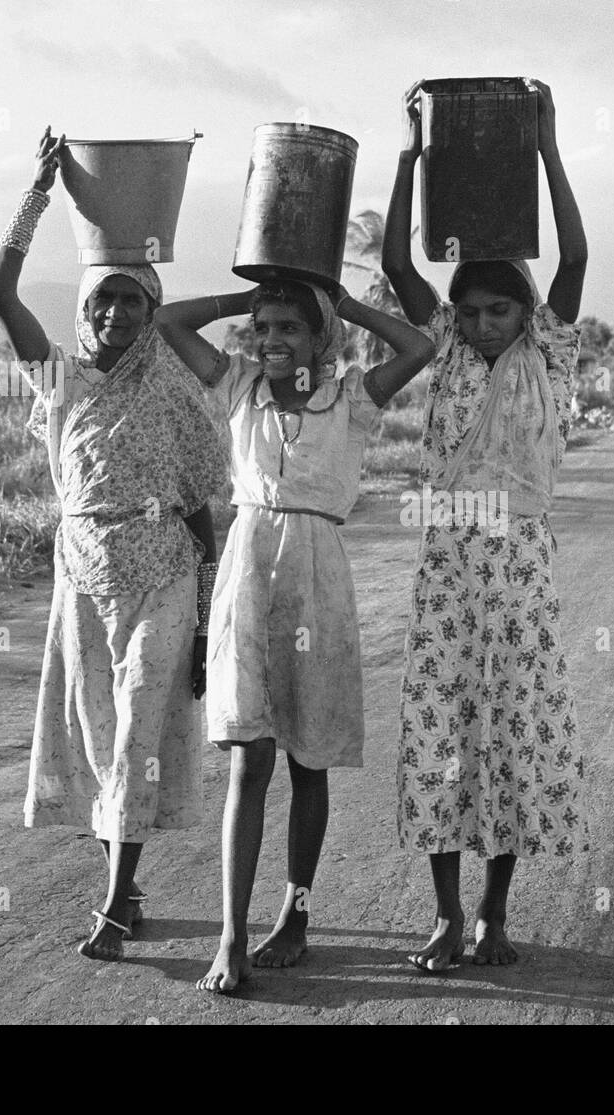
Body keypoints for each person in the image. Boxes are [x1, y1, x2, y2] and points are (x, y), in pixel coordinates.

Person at [154, 274, 434, 994]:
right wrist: (239, 297)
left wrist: (345, 304)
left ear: (320, 337)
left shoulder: (352, 399)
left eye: (289, 327)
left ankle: (295, 915)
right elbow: (168, 320)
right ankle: (230, 934)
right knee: (250, 758)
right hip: (249, 572)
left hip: (317, 577)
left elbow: (420, 342)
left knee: (309, 760)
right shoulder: (239, 384)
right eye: (263, 327)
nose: (273, 340)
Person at [0, 127, 227, 962]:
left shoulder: (171, 386)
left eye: (133, 301)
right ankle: (126, 884)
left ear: (153, 309)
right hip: (82, 580)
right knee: (97, 741)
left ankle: (118, 902)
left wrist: (204, 621)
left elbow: (202, 507)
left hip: (163, 572)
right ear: (84, 309)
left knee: (133, 737)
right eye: (103, 301)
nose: (117, 313)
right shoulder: (62, 381)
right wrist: (37, 195)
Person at [382, 78, 588, 971]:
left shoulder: (550, 350)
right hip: (450, 564)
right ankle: (442, 914)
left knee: (512, 733)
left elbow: (575, 256)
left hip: (522, 568)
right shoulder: (447, 349)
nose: (479, 321)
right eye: (469, 309)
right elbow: (398, 262)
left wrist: (546, 147)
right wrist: (409, 159)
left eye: (496, 308)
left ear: (526, 310)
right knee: (441, 731)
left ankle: (494, 917)